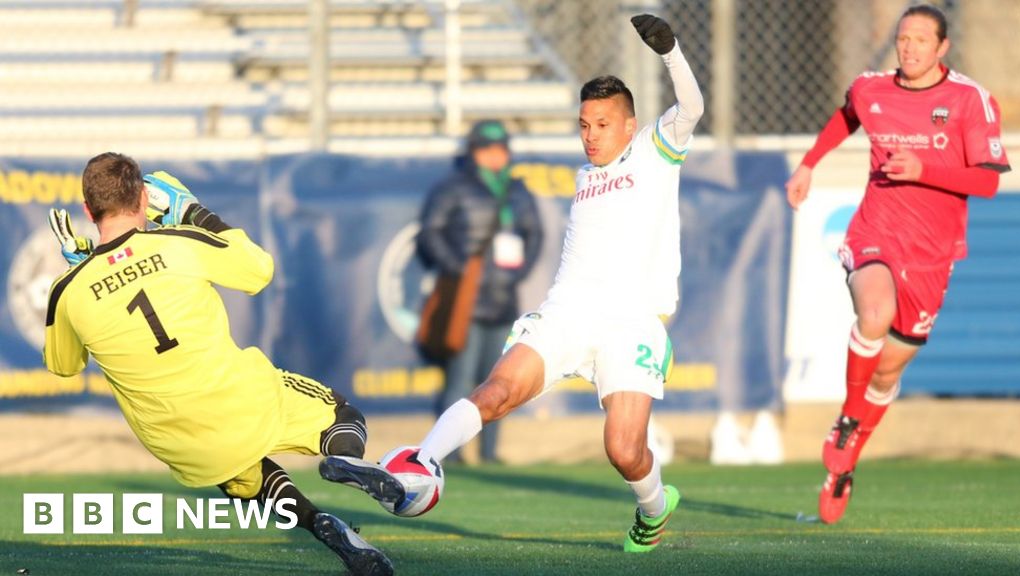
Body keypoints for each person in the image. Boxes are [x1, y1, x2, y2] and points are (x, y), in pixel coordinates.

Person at [349, 13, 702, 552]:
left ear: (630, 125)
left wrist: (670, 51)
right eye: (583, 125)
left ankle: (654, 508)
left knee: (624, 450)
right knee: (496, 392)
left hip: (631, 322)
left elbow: (692, 107)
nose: (590, 136)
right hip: (565, 314)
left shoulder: (655, 150)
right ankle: (420, 462)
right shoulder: (586, 176)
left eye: (602, 124)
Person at [43, 153, 406, 576]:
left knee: (244, 477)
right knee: (342, 415)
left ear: (88, 212)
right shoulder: (177, 241)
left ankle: (318, 523)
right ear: (143, 197)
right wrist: (192, 212)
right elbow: (259, 269)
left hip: (180, 444)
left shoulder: (68, 291)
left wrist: (81, 267)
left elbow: (64, 366)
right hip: (239, 400)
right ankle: (345, 458)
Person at [785, 4, 1010, 524]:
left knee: (886, 374)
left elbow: (988, 181)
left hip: (932, 255)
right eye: (903, 38)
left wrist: (924, 169)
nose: (909, 48)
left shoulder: (969, 100)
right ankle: (847, 419)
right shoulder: (872, 88)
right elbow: (847, 115)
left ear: (942, 47)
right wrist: (808, 165)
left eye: (921, 40)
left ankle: (844, 465)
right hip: (876, 233)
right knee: (874, 313)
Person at [417, 119, 544, 464]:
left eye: (500, 149)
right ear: (473, 152)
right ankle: (447, 454)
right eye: (486, 149)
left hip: (503, 301)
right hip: (466, 302)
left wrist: (518, 273)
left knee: (498, 383)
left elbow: (534, 234)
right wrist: (460, 269)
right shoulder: (454, 188)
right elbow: (430, 232)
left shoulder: (517, 190)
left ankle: (489, 454)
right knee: (460, 380)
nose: (494, 155)